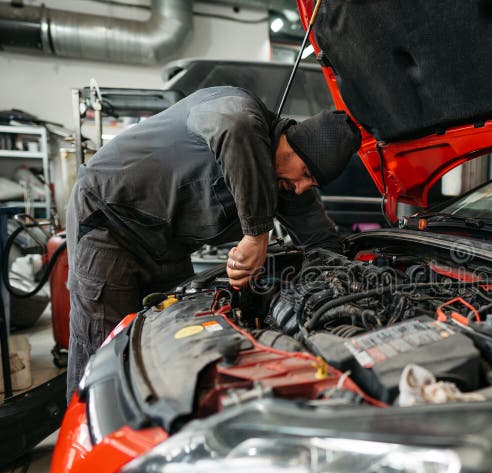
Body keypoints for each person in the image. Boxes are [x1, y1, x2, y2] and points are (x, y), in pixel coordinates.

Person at [65, 86, 361, 399]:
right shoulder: (241, 111)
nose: (301, 187)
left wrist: (351, 277)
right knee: (104, 358)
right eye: (304, 173)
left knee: (170, 347)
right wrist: (257, 234)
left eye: (311, 183)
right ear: (292, 142)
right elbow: (233, 125)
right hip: (109, 224)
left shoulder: (285, 182)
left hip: (166, 248)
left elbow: (321, 238)